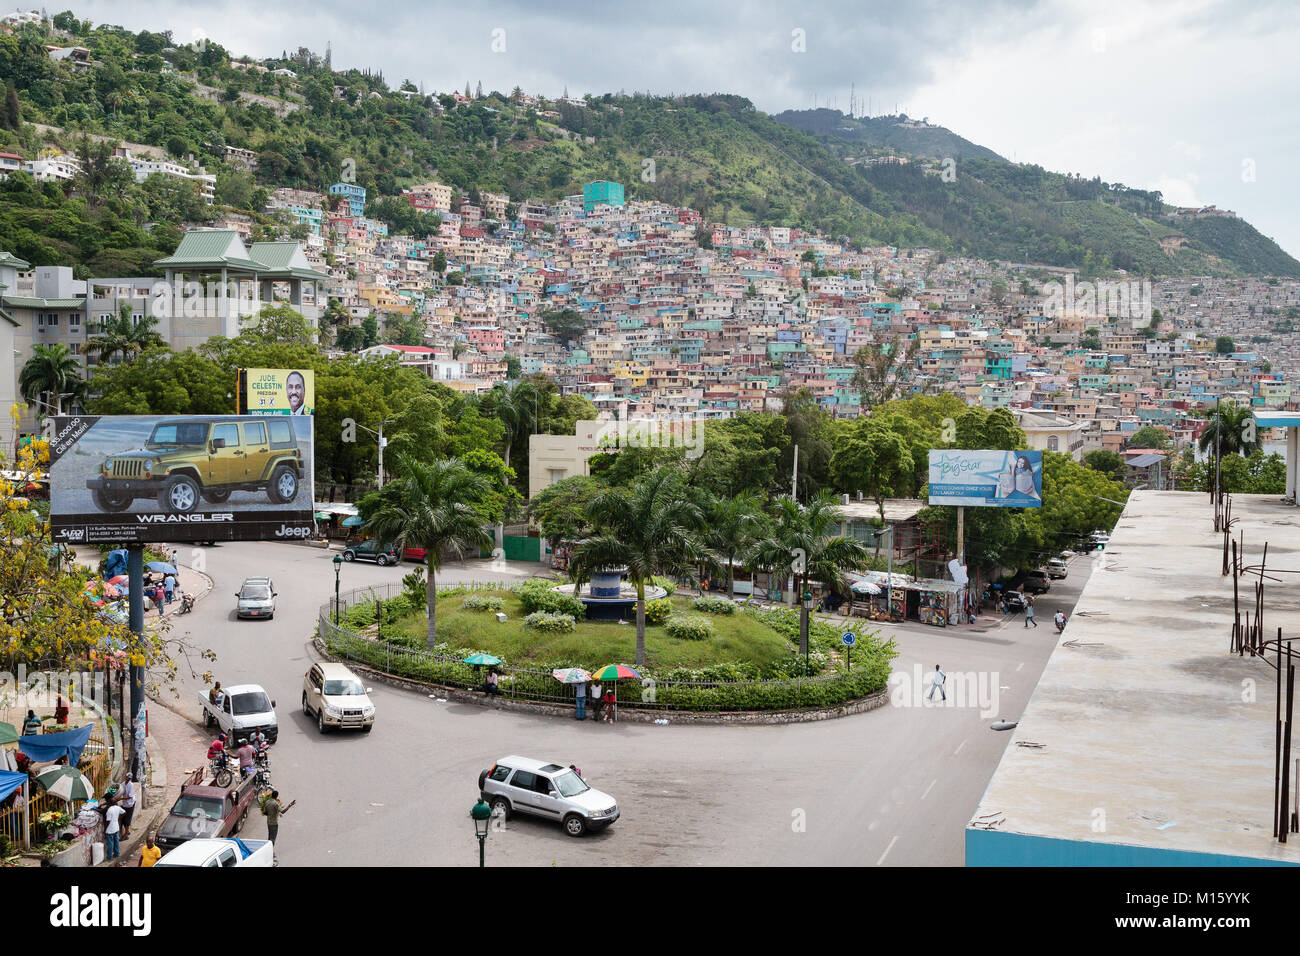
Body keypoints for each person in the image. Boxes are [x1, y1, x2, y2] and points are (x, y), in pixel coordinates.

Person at [119, 773, 136, 840]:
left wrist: (121, 799)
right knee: (123, 819)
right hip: (125, 804)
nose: (126, 778)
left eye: (127, 777)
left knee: (127, 820)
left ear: (129, 778)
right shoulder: (123, 784)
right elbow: (121, 791)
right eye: (126, 777)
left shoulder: (131, 785)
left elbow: (130, 796)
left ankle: (126, 835)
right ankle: (127, 831)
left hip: (130, 804)